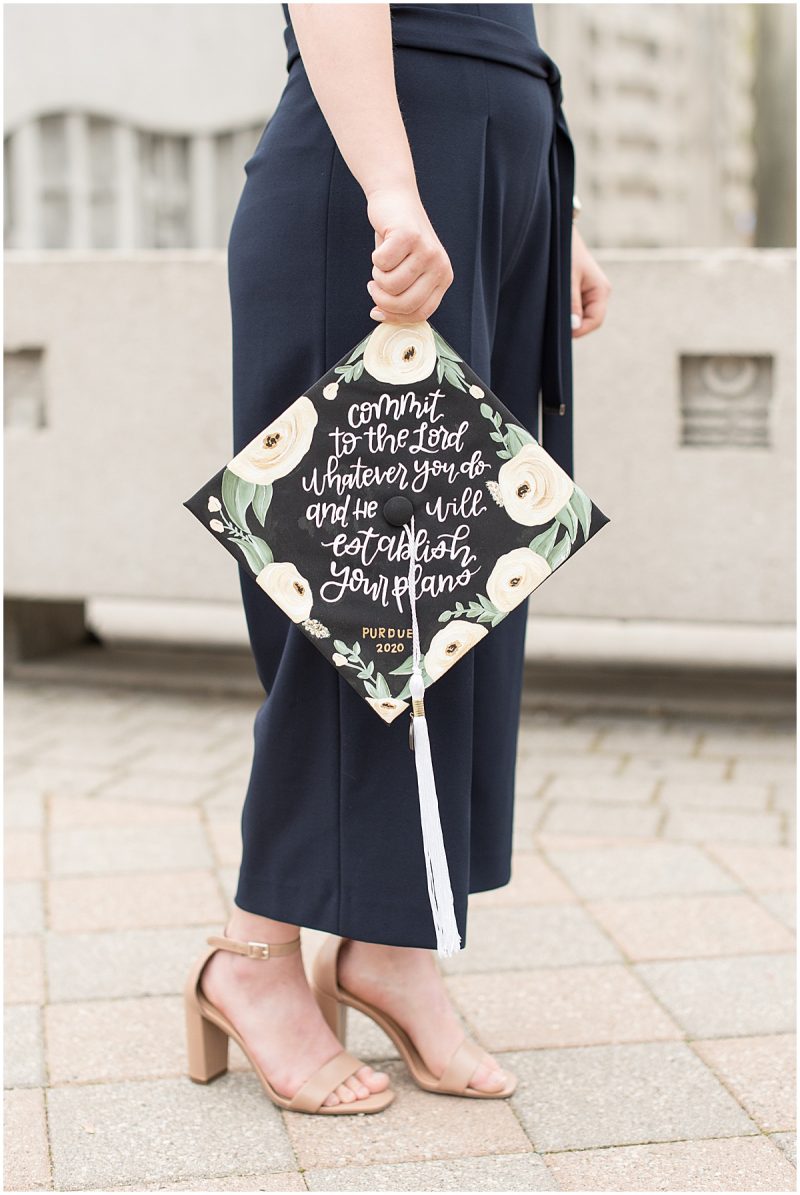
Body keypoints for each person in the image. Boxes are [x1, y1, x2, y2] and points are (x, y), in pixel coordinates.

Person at [185, 2, 611, 1114]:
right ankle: (253, 954)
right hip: (378, 163)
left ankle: (392, 940)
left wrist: (551, 212)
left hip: (489, 171)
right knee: (354, 586)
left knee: (460, 583)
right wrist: (391, 185)